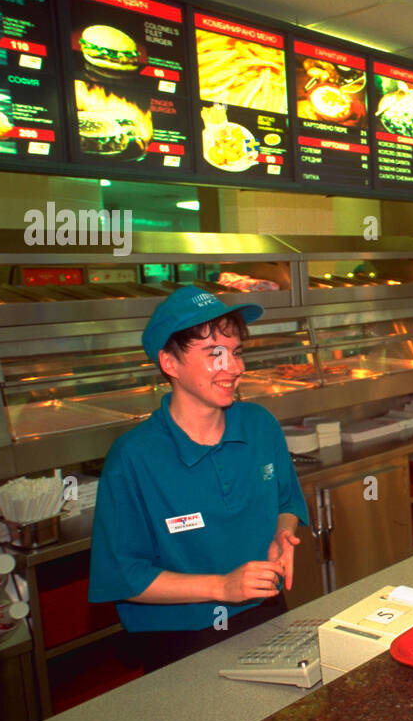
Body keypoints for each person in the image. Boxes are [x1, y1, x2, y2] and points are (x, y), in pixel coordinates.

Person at [89, 287, 310, 672]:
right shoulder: (134, 458)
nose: (234, 367)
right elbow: (126, 576)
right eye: (214, 355)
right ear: (170, 363)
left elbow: (287, 501)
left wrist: (281, 533)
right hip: (178, 637)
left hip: (266, 611)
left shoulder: (260, 425)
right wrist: (222, 587)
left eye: (237, 352)